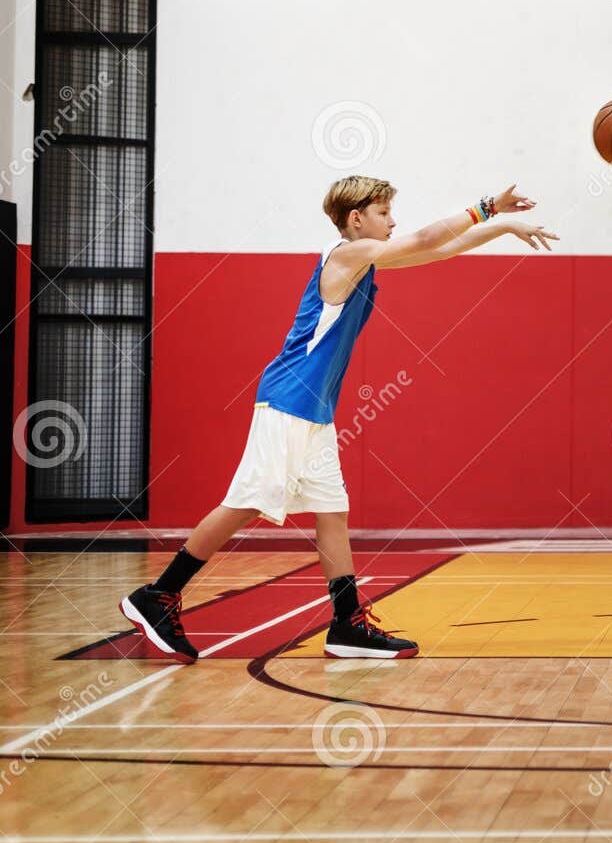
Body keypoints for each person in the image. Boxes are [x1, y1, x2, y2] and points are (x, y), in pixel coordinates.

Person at [118, 175, 559, 661]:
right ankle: (157, 596)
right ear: (357, 219)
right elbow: (427, 238)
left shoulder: (365, 261)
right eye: (384, 213)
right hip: (288, 401)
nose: (394, 222)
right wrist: (488, 206)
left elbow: (437, 251)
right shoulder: (343, 256)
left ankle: (346, 625)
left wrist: (502, 229)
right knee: (247, 501)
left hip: (315, 411)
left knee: (331, 509)